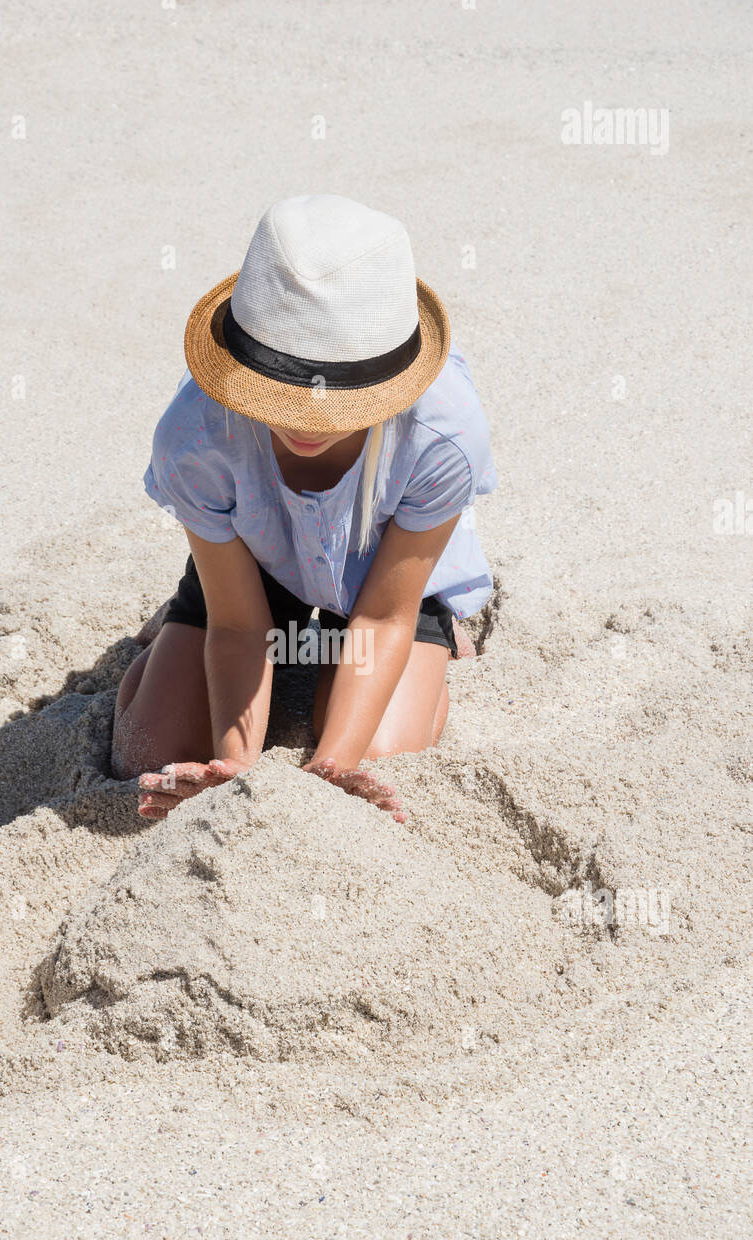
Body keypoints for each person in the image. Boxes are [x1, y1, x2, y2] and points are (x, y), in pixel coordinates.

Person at [113, 194, 496, 821]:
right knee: (149, 757)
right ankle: (182, 622)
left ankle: (443, 617)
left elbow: (381, 619)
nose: (307, 423)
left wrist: (332, 767)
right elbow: (240, 628)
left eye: (333, 403)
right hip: (257, 551)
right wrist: (233, 767)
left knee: (377, 754)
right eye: (282, 394)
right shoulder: (196, 436)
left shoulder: (443, 431)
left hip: (382, 561)